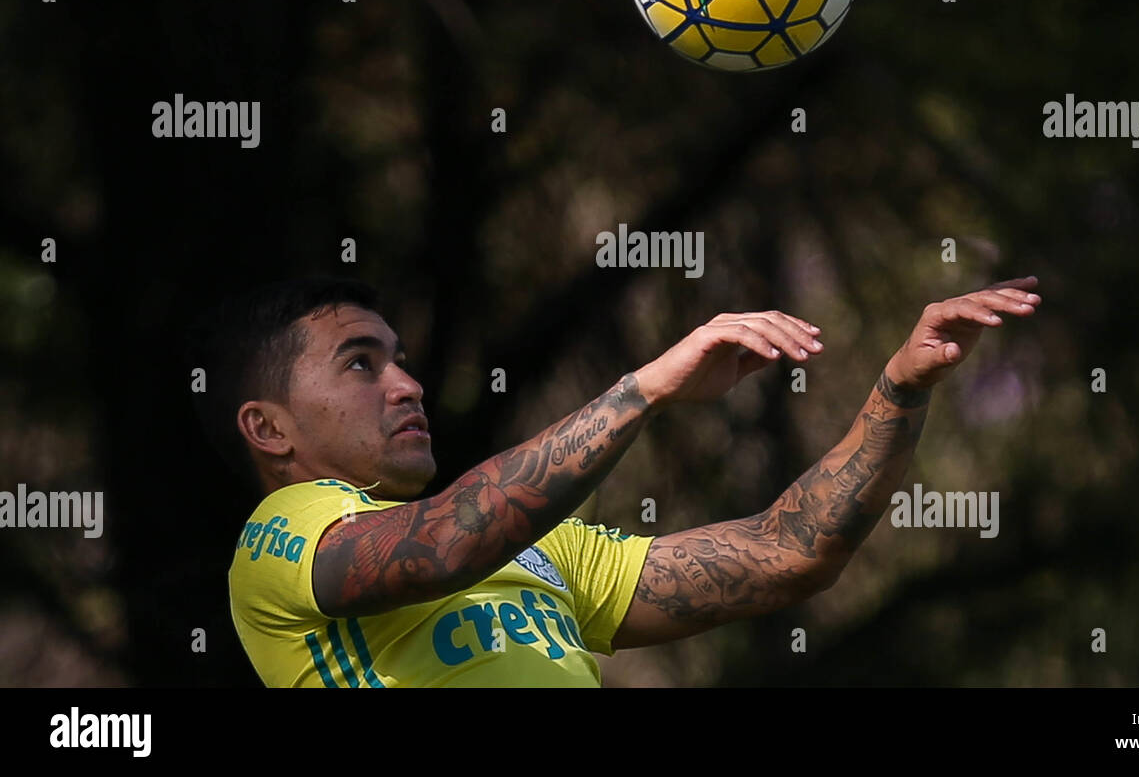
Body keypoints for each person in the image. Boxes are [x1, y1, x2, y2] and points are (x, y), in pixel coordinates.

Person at [193, 273, 1040, 686]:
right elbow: (443, 543)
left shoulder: (543, 552)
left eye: (401, 362)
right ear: (269, 428)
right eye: (359, 364)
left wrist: (899, 390)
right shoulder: (286, 536)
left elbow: (791, 551)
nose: (406, 384)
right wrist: (645, 389)